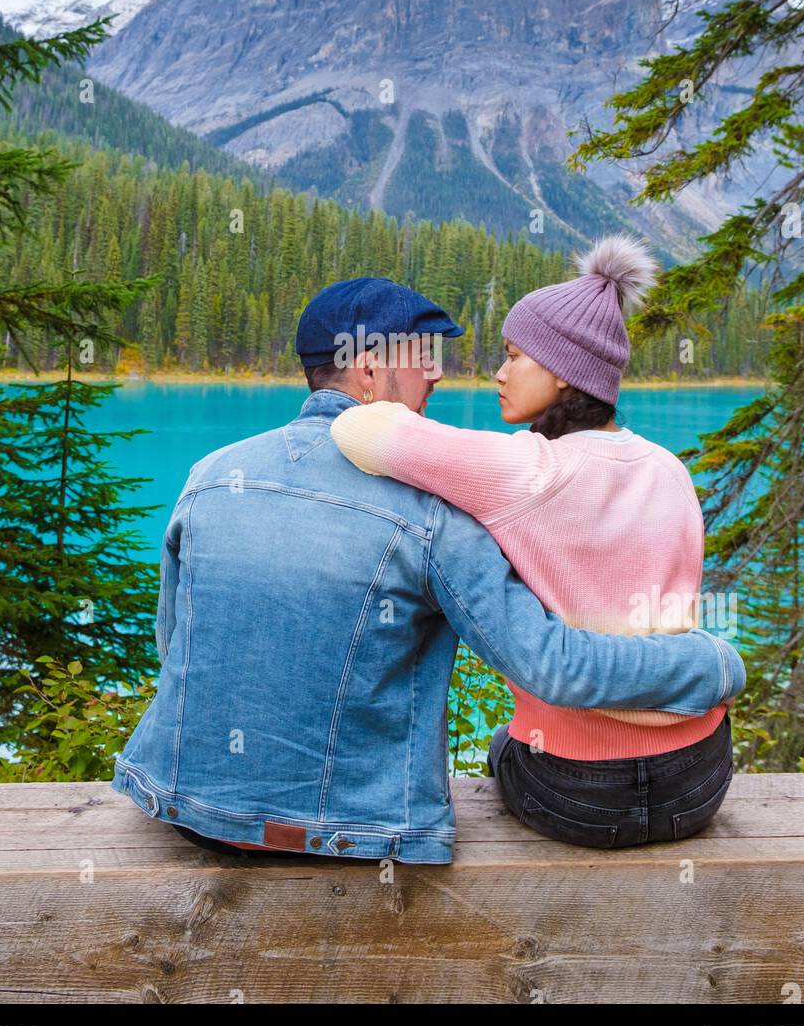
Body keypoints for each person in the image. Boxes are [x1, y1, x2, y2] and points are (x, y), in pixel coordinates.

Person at [111, 273, 744, 864]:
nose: (438, 375)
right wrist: (711, 663)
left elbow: (174, 646)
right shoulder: (437, 513)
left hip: (186, 809)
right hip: (354, 830)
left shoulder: (210, 474)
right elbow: (545, 661)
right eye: (421, 356)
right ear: (368, 369)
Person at [330, 237, 737, 849]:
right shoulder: (668, 469)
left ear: (563, 371)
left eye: (515, 355)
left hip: (578, 795)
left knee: (503, 745)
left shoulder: (526, 470)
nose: (499, 371)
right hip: (701, 780)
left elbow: (359, 429)